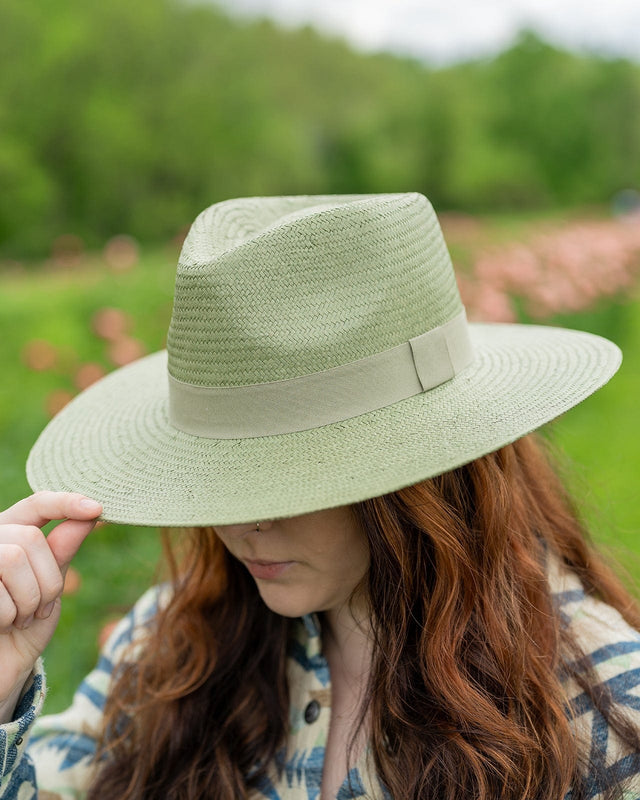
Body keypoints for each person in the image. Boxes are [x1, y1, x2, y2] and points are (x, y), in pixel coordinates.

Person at [0, 193, 639, 800]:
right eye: (223, 475)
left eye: (289, 477)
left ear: (421, 479)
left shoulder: (602, 704)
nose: (242, 522)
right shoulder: (170, 646)